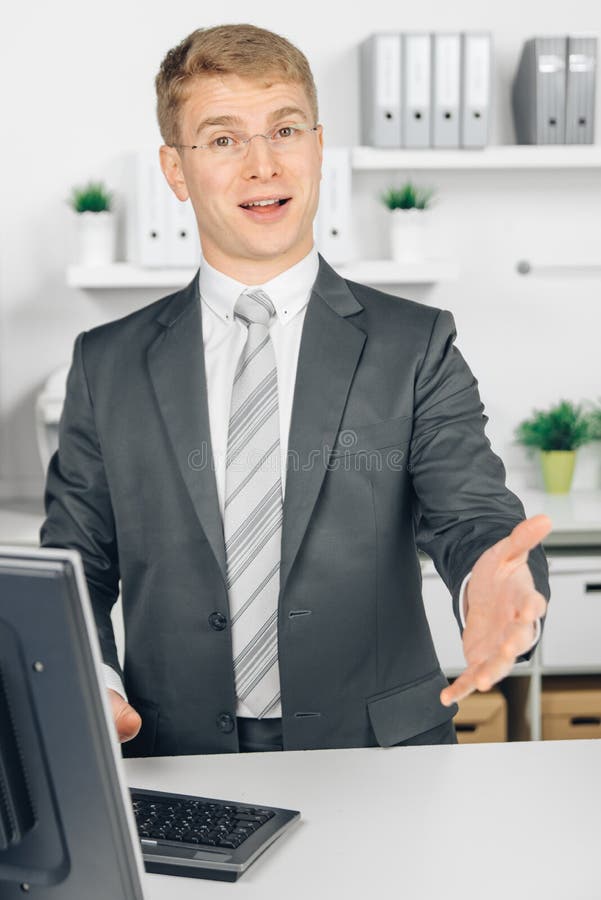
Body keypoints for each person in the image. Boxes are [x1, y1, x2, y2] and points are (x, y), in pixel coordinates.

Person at [40, 23, 551, 756]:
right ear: (176, 170)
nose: (262, 164)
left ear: (317, 148)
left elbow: (469, 515)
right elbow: (76, 563)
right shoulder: (105, 362)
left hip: (381, 760)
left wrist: (492, 588)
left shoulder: (415, 343)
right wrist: (97, 682)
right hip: (174, 756)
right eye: (222, 140)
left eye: (284, 129)